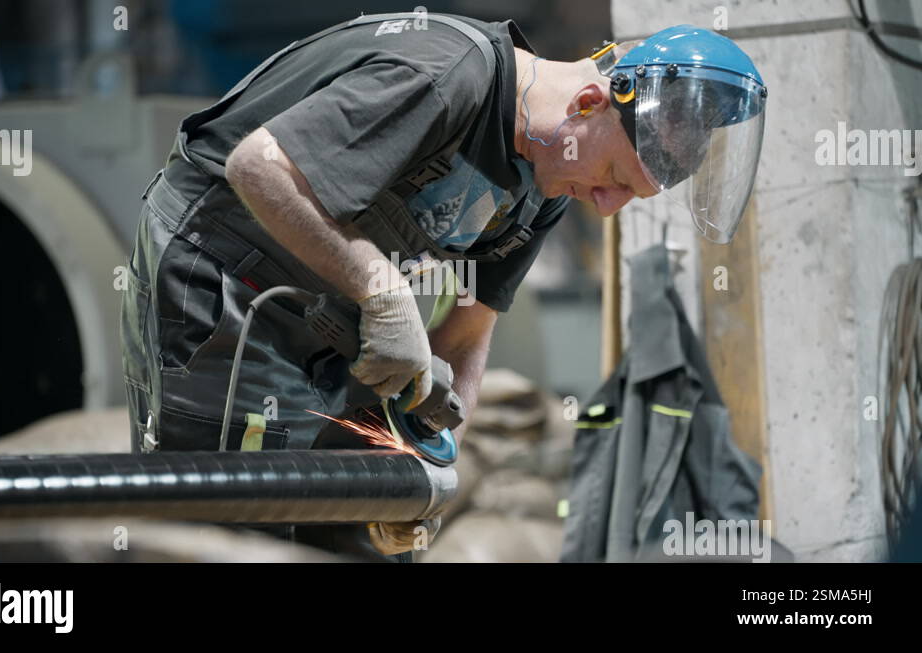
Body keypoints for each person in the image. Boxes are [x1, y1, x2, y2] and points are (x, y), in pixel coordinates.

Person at [120, 14, 767, 558]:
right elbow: (257, 168)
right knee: (227, 533)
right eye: (613, 177)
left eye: (627, 196)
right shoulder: (445, 75)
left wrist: (426, 467)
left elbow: (466, 332)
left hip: (327, 309)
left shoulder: (545, 181)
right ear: (589, 103)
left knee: (356, 527)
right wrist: (380, 287)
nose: (604, 205)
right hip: (227, 269)